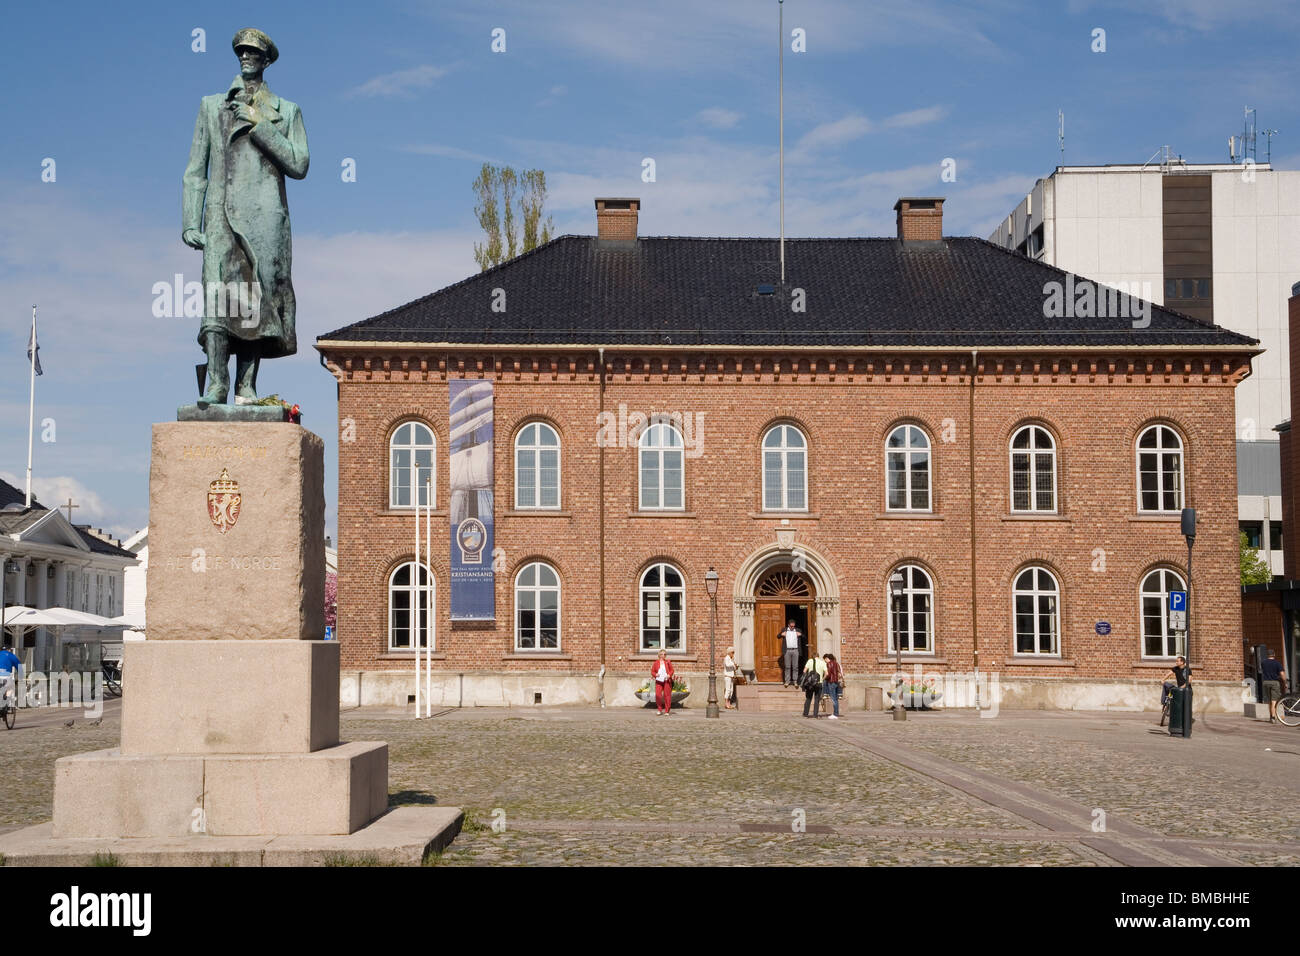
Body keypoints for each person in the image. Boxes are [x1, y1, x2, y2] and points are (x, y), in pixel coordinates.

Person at [182, 28, 309, 407]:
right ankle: (216, 383)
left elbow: (299, 163)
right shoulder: (211, 106)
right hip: (220, 216)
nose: (246, 57)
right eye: (242, 51)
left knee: (257, 297)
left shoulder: (285, 111)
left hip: (265, 219)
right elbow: (195, 170)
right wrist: (191, 219)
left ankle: (246, 386)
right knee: (218, 296)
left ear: (267, 59)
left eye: (254, 52)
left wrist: (259, 123)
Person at [1260, 650, 1288, 723]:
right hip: (1274, 682)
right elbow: (1282, 674)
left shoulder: (1263, 663)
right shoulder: (1277, 663)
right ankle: (1273, 717)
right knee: (1274, 701)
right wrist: (1285, 682)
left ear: (1268, 655)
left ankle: (1271, 717)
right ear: (1274, 654)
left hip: (1265, 682)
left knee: (1269, 701)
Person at [801, 653, 827, 718]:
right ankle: (815, 714)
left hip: (810, 683)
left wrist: (807, 678)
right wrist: (822, 679)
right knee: (817, 699)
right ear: (818, 656)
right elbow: (827, 673)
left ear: (813, 656)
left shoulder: (810, 661)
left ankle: (805, 713)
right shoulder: (822, 662)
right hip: (819, 683)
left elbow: (804, 671)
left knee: (808, 698)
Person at [651, 649, 675, 716]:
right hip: (659, 681)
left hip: (666, 680)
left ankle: (667, 711)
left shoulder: (668, 662)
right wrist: (655, 674)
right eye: (661, 654)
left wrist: (669, 675)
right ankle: (659, 709)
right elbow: (652, 671)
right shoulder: (656, 663)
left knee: (667, 696)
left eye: (664, 654)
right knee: (658, 695)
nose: (663, 656)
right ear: (659, 655)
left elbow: (672, 670)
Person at [0, 643, 23, 708]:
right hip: (6, 676)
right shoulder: (11, 655)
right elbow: (19, 667)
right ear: (9, 650)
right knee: (11, 687)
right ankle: (8, 701)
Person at [822, 653, 843, 719]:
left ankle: (835, 714)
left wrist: (823, 678)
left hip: (831, 682)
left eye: (824, 659)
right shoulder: (836, 663)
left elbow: (828, 674)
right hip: (836, 682)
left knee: (834, 699)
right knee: (835, 699)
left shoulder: (829, 664)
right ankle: (836, 713)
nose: (824, 661)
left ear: (827, 658)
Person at [781, 620, 802, 686]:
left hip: (795, 650)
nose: (793, 627)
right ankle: (787, 681)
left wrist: (800, 634)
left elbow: (804, 637)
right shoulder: (784, 630)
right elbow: (778, 636)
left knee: (795, 667)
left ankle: (795, 681)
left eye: (793, 626)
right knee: (787, 666)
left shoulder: (797, 630)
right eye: (791, 626)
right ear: (788, 625)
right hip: (787, 650)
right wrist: (781, 634)